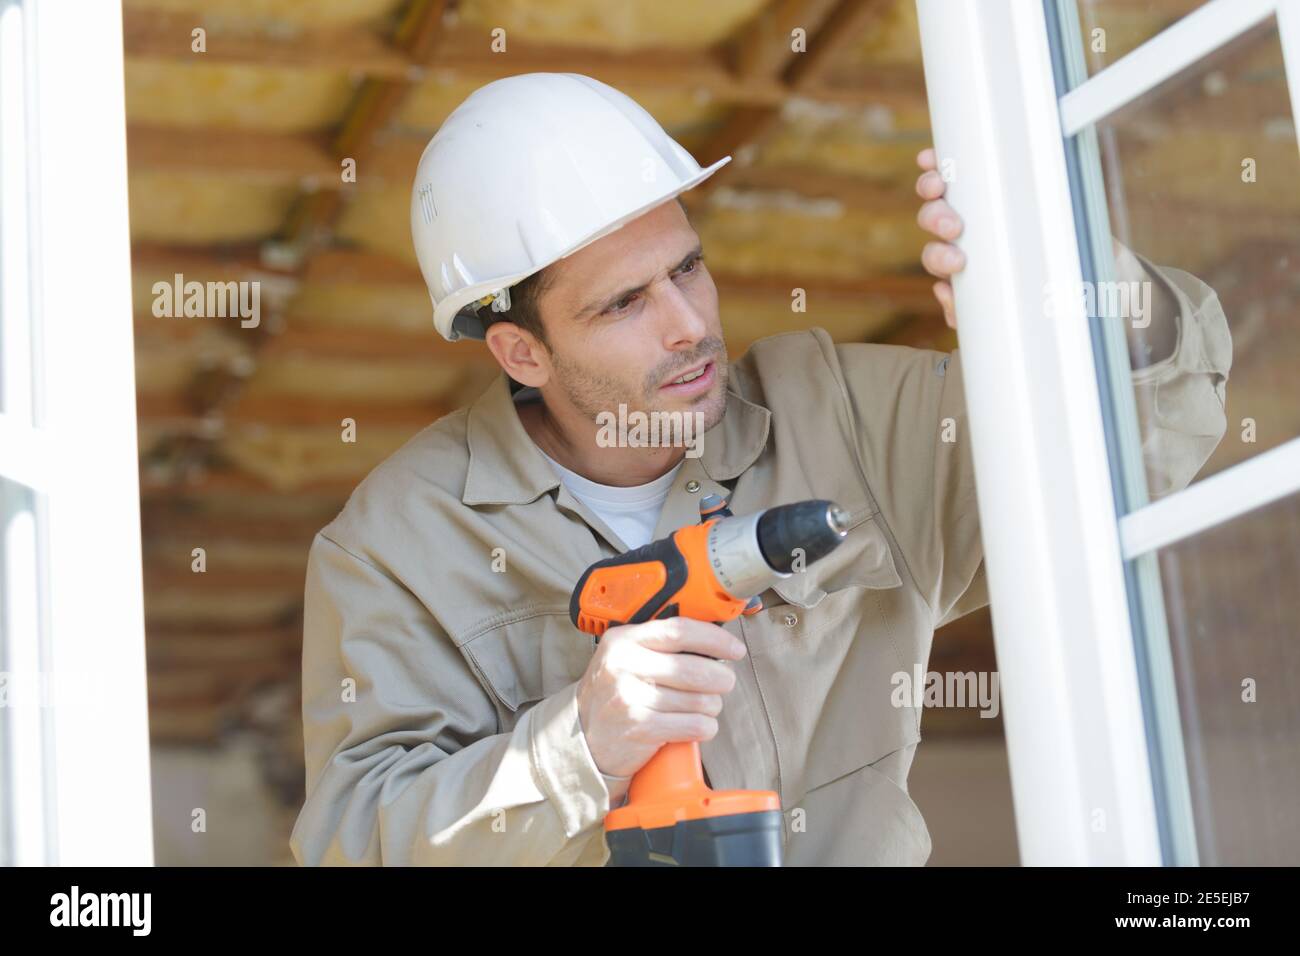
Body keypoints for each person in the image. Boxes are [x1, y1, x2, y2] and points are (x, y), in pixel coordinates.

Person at [289, 73, 1230, 866]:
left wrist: (1097, 290)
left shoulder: (843, 421)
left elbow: (1143, 454)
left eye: (687, 269)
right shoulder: (400, 545)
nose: (688, 324)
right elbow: (348, 838)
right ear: (520, 352)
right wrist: (579, 746)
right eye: (623, 304)